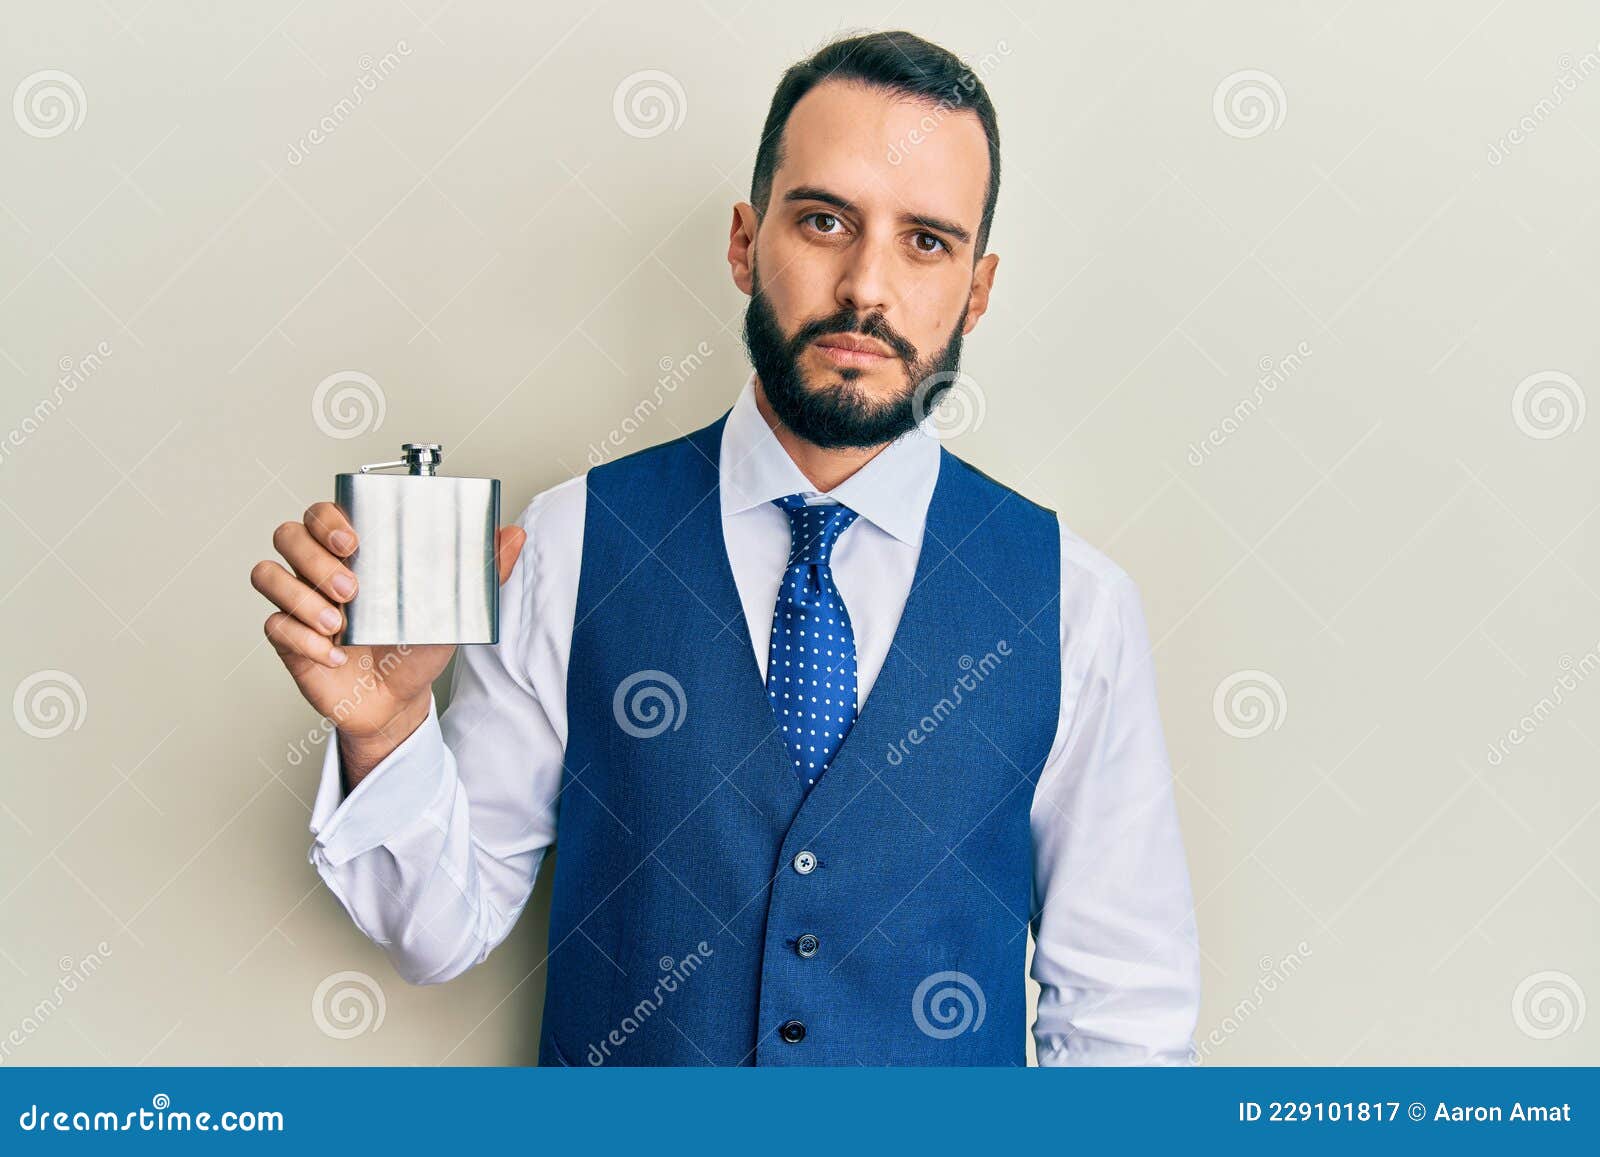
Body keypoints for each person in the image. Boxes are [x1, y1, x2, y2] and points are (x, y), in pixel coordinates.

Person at [252, 29, 1200, 1066]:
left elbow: (1124, 1010)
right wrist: (388, 734)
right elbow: (439, 930)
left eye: (925, 241)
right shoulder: (573, 541)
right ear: (746, 241)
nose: (865, 288)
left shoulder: (1072, 602)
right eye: (825, 220)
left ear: (976, 288)